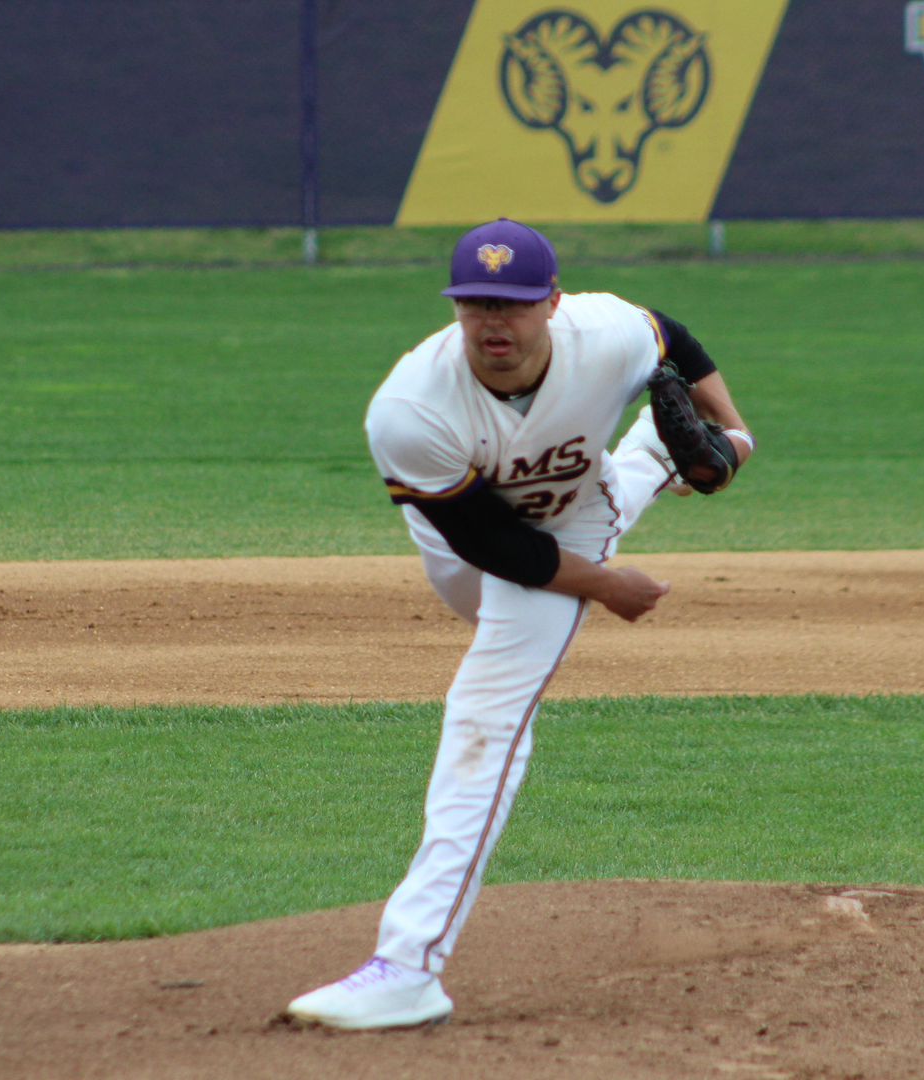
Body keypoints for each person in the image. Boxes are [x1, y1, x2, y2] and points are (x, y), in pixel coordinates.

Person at [286, 218, 754, 1029]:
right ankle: (657, 454)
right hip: (465, 550)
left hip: (570, 521)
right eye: (475, 302)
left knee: (486, 716)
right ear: (455, 306)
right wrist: (608, 588)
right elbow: (495, 547)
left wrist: (736, 433)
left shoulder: (604, 334)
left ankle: (409, 967)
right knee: (542, 549)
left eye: (512, 302)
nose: (492, 320)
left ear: (552, 302)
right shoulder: (410, 409)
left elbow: (672, 338)